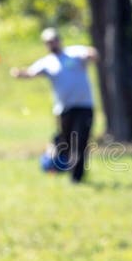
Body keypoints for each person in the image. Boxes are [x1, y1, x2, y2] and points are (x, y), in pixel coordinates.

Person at [11, 27, 97, 183]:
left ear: (59, 40)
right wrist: (19, 73)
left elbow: (91, 53)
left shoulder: (74, 52)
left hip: (84, 106)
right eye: (48, 42)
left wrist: (92, 54)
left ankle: (76, 177)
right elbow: (31, 73)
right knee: (67, 142)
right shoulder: (47, 62)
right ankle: (67, 169)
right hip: (64, 108)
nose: (52, 44)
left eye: (54, 40)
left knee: (81, 141)